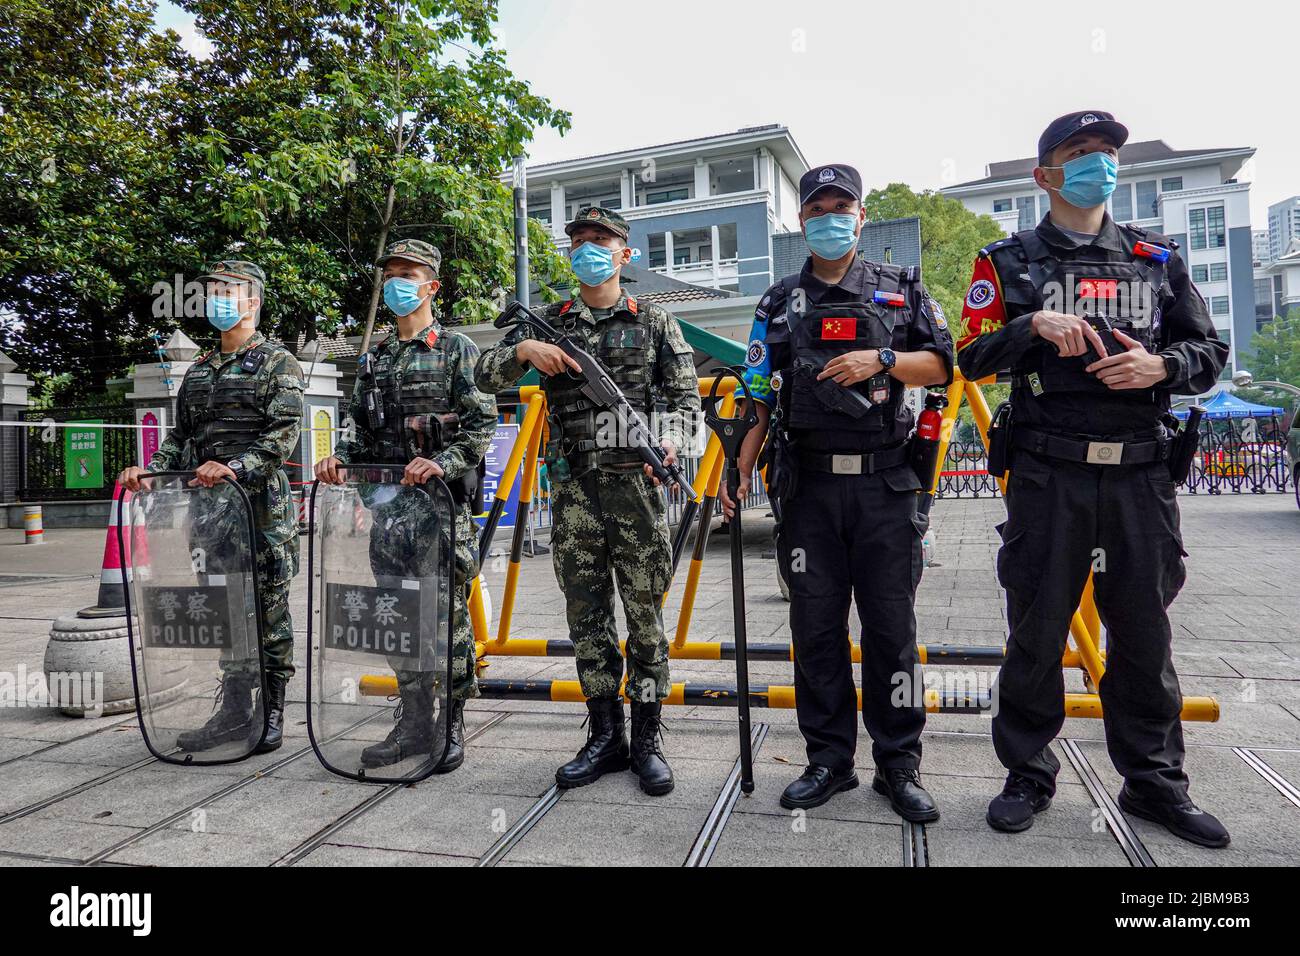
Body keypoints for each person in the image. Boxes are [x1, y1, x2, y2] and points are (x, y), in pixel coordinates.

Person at [957, 111, 1230, 847]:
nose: (1097, 164)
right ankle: (1028, 773)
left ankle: (1154, 785)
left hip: (1141, 474)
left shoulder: (1156, 258)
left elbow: (1208, 350)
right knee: (1036, 631)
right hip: (1049, 473)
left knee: (1143, 635)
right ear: (1044, 174)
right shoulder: (1007, 260)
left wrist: (1161, 366)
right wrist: (1032, 327)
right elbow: (969, 355)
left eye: (1106, 153)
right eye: (1078, 153)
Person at [720, 165, 954, 820]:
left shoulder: (899, 289)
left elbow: (942, 363)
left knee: (891, 631)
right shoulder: (777, 302)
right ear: (802, 220)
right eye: (816, 206)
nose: (829, 216)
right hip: (810, 491)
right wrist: (738, 471)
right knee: (815, 630)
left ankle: (899, 764)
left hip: (886, 486)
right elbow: (758, 399)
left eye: (840, 206)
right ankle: (828, 760)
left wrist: (881, 360)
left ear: (860, 215)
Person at [475, 206, 701, 796]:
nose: (588, 249)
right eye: (578, 242)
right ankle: (605, 736)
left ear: (625, 254)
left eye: (600, 240)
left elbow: (684, 404)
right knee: (588, 619)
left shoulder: (654, 324)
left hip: (639, 491)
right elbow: (480, 373)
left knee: (646, 623)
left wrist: (670, 444)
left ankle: (647, 740)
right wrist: (527, 351)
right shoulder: (548, 322)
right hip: (574, 491)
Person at [315, 239, 496, 773]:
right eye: (390, 273)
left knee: (445, 621)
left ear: (431, 285)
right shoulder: (374, 359)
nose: (396, 281)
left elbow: (482, 425)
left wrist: (443, 459)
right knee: (398, 621)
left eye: (407, 273)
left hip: (438, 515)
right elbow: (359, 432)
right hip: (387, 516)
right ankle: (415, 721)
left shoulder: (458, 349)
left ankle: (452, 722)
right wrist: (338, 460)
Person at [120, 257, 304, 753]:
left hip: (260, 515)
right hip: (208, 520)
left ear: (254, 301)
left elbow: (281, 437)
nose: (217, 298)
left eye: (230, 289)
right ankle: (234, 710)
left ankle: (271, 712)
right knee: (224, 613)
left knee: (267, 614)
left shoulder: (277, 362)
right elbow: (181, 438)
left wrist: (235, 467)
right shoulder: (199, 369)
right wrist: (150, 470)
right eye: (212, 289)